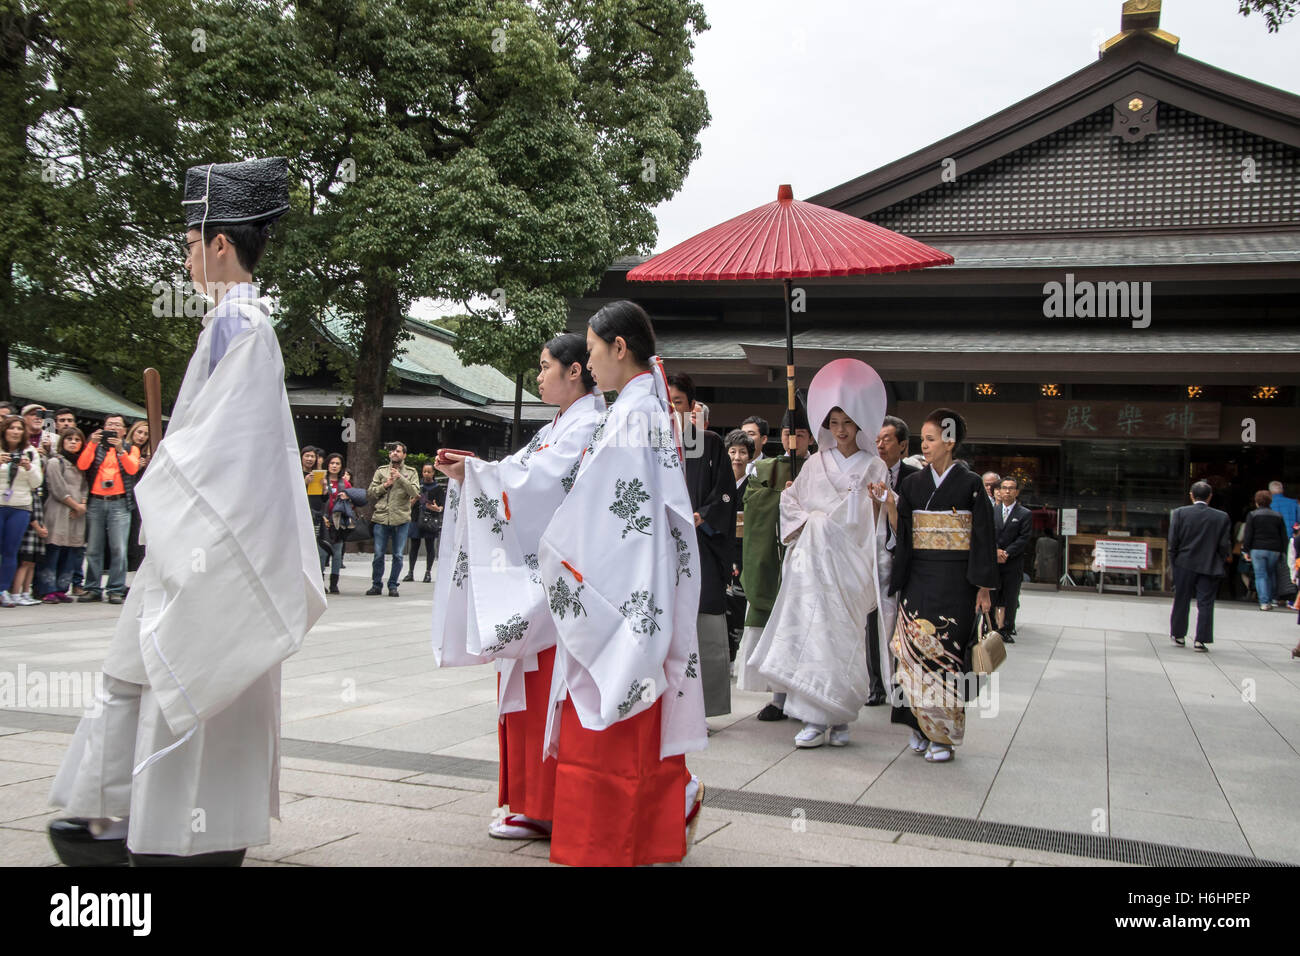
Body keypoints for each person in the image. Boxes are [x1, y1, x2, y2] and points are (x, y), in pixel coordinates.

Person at [48, 155, 325, 866]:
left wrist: (167, 473)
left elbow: (229, 454)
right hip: (193, 535)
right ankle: (124, 819)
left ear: (220, 243)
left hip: (205, 541)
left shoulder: (242, 326)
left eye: (188, 241)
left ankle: (160, 831)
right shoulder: (234, 324)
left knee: (172, 674)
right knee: (147, 675)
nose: (185, 257)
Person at [535, 300, 705, 866]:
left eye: (591, 351)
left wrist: (565, 556)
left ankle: (614, 842)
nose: (589, 361)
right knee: (633, 719)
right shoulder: (643, 410)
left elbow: (614, 515)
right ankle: (643, 835)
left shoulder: (635, 416)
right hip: (636, 584)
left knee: (615, 718)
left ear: (619, 347)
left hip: (620, 586)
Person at [433, 332, 605, 843]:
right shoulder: (558, 425)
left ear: (575, 371)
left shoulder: (590, 424)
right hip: (539, 573)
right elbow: (518, 473)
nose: (539, 373)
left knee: (546, 691)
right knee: (525, 686)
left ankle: (547, 805)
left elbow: (542, 485)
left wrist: (480, 475)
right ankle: (529, 801)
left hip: (561, 577)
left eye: (545, 365)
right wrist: (476, 472)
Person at [747, 360, 888, 748]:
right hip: (813, 562)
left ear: (860, 423)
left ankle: (839, 718)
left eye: (847, 422)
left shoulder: (875, 466)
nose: (841, 430)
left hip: (849, 563)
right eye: (834, 423)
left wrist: (869, 508)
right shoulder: (814, 463)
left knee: (844, 637)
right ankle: (811, 716)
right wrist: (816, 523)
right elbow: (790, 504)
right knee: (811, 635)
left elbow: (877, 519)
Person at [876, 408, 998, 764]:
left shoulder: (971, 484)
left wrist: (984, 587)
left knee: (946, 659)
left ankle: (943, 738)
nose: (924, 446)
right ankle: (918, 726)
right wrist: (890, 507)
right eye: (923, 440)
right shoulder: (913, 484)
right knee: (913, 658)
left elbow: (982, 536)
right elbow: (906, 536)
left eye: (931, 440)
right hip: (918, 578)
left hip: (957, 580)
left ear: (950, 441)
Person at [736, 401, 812, 720]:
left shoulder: (820, 468)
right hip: (773, 559)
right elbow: (753, 508)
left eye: (799, 434)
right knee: (776, 628)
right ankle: (778, 698)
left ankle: (806, 697)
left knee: (806, 631)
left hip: (809, 560)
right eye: (786, 433)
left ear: (810, 437)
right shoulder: (764, 469)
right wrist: (783, 498)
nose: (791, 440)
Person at [666, 372, 734, 720]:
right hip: (663, 547)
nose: (671, 410)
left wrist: (702, 516)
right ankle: (667, 707)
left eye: (677, 403)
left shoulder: (708, 442)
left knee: (702, 623)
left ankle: (702, 709)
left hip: (700, 546)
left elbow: (725, 494)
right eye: (665, 404)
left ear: (691, 406)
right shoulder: (653, 443)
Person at [866, 415, 920, 706]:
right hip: (872, 557)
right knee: (871, 621)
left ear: (903, 445)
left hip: (903, 558)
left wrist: (890, 501)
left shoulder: (914, 476)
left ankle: (900, 682)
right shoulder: (866, 472)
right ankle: (876, 684)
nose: (881, 445)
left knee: (902, 623)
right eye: (877, 440)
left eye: (887, 439)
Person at [76, 413, 141, 604]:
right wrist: (92, 444)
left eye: (117, 425)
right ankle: (92, 587)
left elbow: (132, 469)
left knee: (118, 548)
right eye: (109, 424)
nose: (113, 428)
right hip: (96, 501)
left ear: (123, 430)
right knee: (94, 548)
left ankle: (116, 588)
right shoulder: (95, 447)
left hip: (119, 502)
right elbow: (83, 464)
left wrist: (120, 450)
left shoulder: (131, 449)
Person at [1167, 481, 1232, 652]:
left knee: (1181, 599)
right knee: (1206, 603)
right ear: (1210, 496)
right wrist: (1219, 559)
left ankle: (1179, 634)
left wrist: (1173, 563)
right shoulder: (1221, 517)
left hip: (1184, 563)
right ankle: (1200, 640)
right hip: (1209, 564)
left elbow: (1173, 542)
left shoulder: (1180, 513)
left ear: (1191, 495)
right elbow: (1224, 545)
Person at [40, 427, 89, 603]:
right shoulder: (55, 462)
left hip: (77, 514)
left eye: (77, 439)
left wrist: (82, 504)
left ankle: (62, 588)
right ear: (63, 442)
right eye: (69, 439)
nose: (73, 442)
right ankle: (47, 589)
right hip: (58, 510)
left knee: (71, 551)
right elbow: (57, 488)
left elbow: (84, 486)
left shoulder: (81, 465)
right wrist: (75, 505)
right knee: (54, 550)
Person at [367, 441, 418, 596]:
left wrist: (400, 478)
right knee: (378, 554)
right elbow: (371, 492)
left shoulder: (411, 472)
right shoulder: (381, 471)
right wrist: (386, 484)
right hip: (382, 517)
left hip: (401, 518)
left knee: (398, 555)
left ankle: (393, 585)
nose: (395, 453)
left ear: (404, 455)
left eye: (398, 451)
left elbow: (415, 492)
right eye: (392, 451)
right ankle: (376, 584)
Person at [1, 416, 43, 607]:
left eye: (19, 428)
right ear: (4, 430)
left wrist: (29, 467)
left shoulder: (30, 452)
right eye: (12, 428)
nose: (16, 431)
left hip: (20, 507)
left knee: (11, 551)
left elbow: (37, 483)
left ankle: (3, 590)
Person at [723, 429, 754, 662]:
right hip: (722, 548)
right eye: (732, 451)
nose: (737, 457)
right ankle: (725, 651)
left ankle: (735, 651)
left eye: (742, 452)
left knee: (738, 600)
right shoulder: (720, 484)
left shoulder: (753, 487)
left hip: (743, 550)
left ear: (750, 457)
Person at [994, 476, 1032, 641]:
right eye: (1004, 487)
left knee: (1010, 596)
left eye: (1011, 488)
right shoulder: (991, 510)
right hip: (993, 560)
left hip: (1012, 562)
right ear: (999, 491)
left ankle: (1007, 629)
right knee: (993, 594)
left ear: (1016, 492)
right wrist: (995, 550)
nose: (1007, 491)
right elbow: (984, 534)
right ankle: (992, 628)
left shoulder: (1024, 514)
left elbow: (1024, 538)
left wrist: (1007, 553)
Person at [1242, 489, 1289, 612]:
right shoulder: (1278, 516)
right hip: (1274, 549)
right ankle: (1272, 599)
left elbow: (1248, 534)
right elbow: (1283, 536)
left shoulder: (1252, 515)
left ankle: (1264, 601)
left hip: (1257, 548)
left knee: (1260, 575)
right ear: (1270, 501)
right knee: (1271, 573)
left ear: (1257, 502)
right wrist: (1284, 551)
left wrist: (1246, 550)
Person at [319, 452, 352, 594]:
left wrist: (347, 498)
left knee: (337, 554)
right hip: (323, 520)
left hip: (338, 522)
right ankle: (320, 582)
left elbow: (353, 502)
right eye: (332, 463)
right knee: (322, 553)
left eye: (337, 463)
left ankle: (334, 584)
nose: (334, 466)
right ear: (327, 464)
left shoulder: (345, 483)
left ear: (341, 467)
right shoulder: (321, 480)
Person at [405, 462, 442, 583]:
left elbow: (441, 506)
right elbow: (408, 504)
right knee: (414, 546)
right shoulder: (417, 486)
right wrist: (415, 498)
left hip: (430, 519)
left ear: (433, 473)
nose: (426, 474)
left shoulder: (438, 488)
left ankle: (428, 572)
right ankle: (410, 572)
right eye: (424, 471)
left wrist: (437, 508)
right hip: (416, 518)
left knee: (429, 546)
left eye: (429, 471)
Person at [125, 420, 152, 573]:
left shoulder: (149, 454)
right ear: (132, 432)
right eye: (139, 432)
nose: (142, 436)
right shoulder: (123, 449)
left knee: (137, 534)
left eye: (146, 434)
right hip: (124, 496)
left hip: (139, 500)